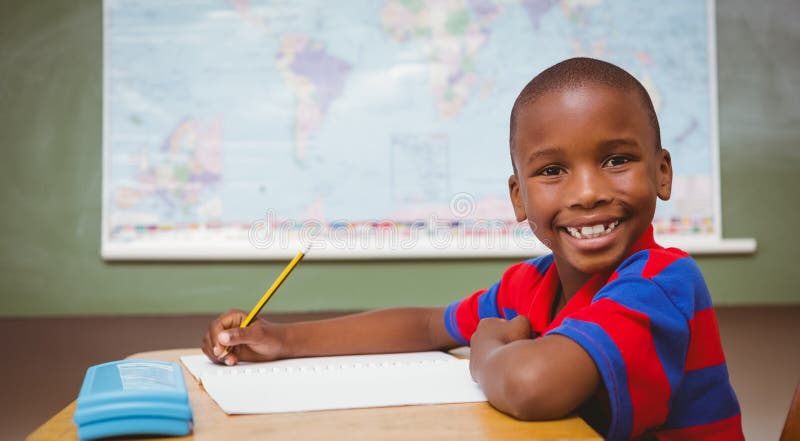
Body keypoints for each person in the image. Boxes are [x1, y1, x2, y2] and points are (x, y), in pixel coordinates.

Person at [202, 57, 744, 440]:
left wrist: (486, 349)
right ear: (519, 197)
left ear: (663, 172)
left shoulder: (662, 283)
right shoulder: (529, 286)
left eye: (617, 159)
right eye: (552, 170)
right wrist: (283, 340)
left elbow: (532, 386)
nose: (588, 193)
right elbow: (424, 326)